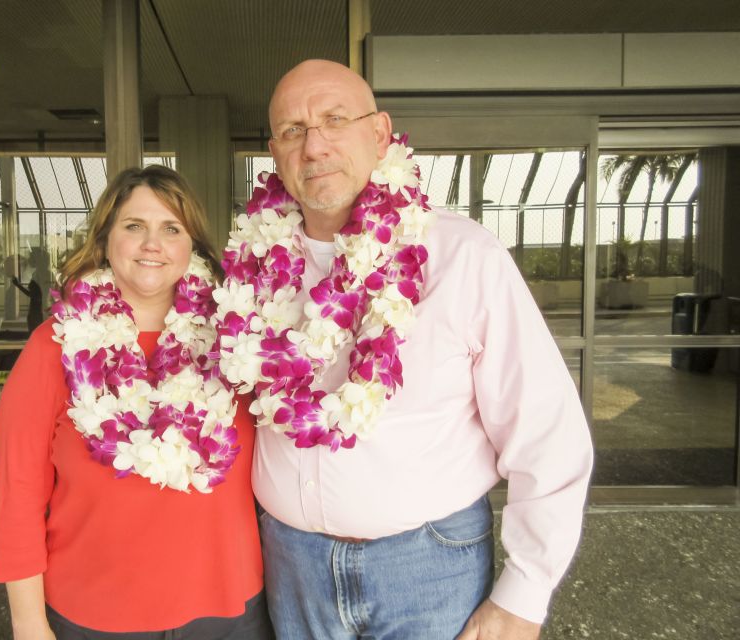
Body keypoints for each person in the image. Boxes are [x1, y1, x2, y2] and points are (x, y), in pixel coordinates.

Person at [213, 59, 594, 640]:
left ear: (380, 132)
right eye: (293, 130)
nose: (314, 145)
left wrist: (524, 595)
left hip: (429, 564)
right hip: (291, 565)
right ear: (275, 152)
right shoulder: (248, 271)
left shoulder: (462, 255)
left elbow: (546, 430)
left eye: (334, 119)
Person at [0, 165, 272, 640]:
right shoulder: (53, 346)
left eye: (171, 229)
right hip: (94, 614)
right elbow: (17, 494)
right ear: (104, 239)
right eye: (134, 226)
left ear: (193, 246)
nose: (152, 244)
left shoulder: (237, 340)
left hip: (228, 611)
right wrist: (28, 624)